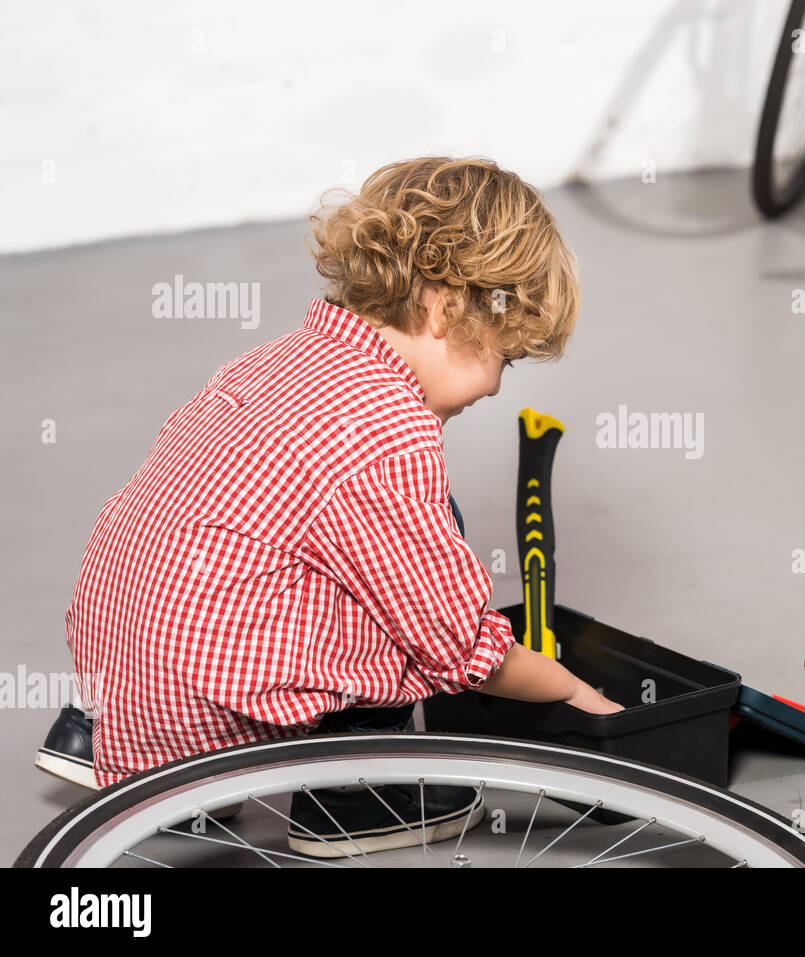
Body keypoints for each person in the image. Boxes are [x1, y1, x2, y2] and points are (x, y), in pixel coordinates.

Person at [42, 156, 621, 857]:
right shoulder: (390, 431)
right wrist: (569, 689)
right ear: (443, 308)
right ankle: (355, 796)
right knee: (431, 546)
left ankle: (121, 739)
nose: (498, 386)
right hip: (202, 722)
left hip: (126, 680)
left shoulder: (277, 359)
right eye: (504, 354)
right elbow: (460, 643)